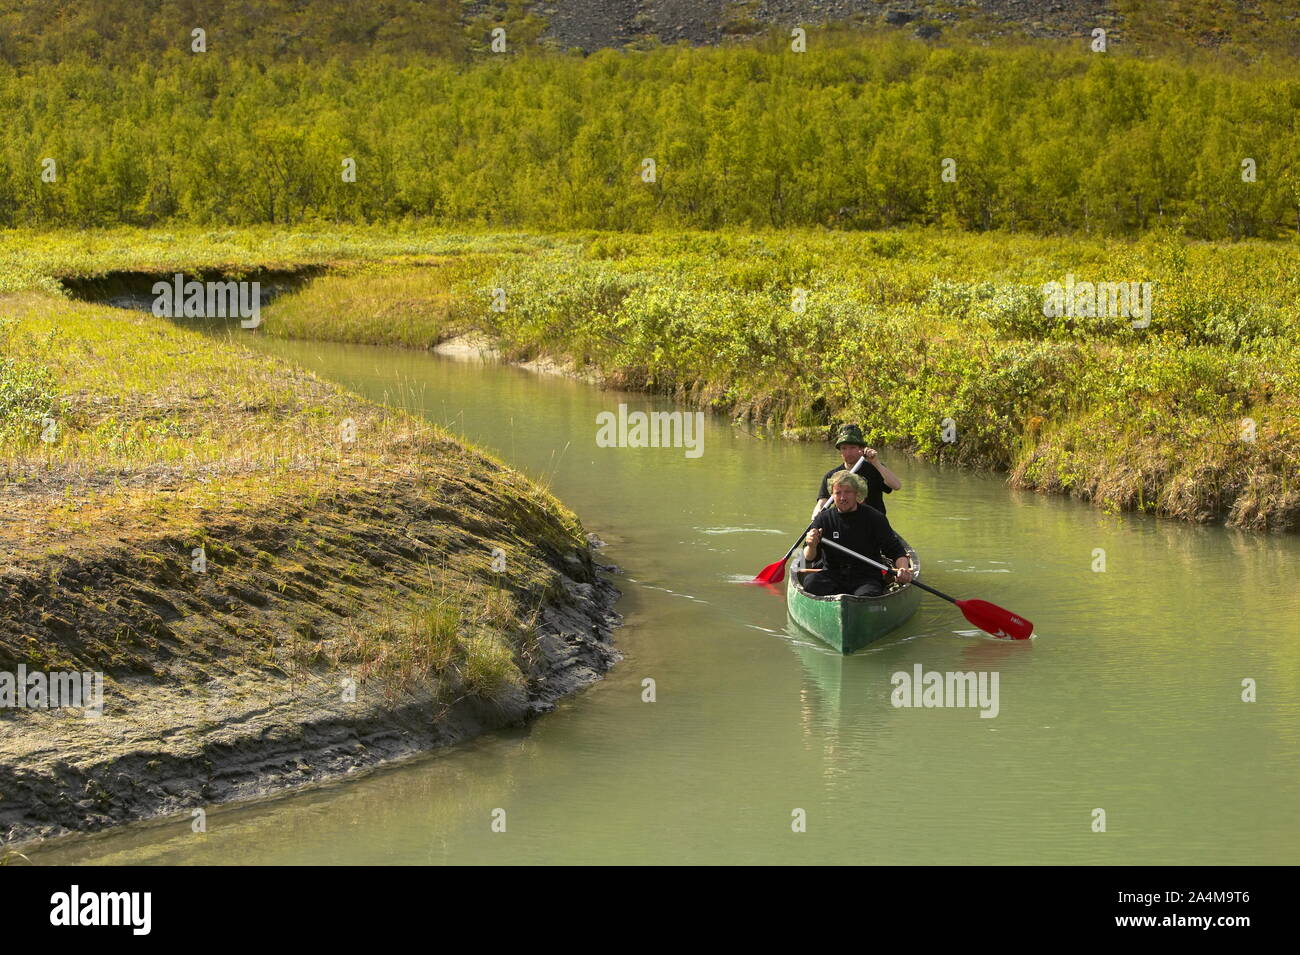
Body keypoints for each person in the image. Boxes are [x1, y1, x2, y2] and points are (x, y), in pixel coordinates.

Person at [802, 470, 913, 597]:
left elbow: (895, 550)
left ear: (857, 494)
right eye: (838, 493)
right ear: (832, 495)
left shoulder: (875, 517)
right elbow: (809, 558)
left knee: (868, 594)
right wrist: (811, 545)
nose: (843, 498)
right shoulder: (822, 518)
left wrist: (903, 569)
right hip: (833, 575)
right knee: (811, 583)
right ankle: (838, 601)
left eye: (847, 492)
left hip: (866, 578)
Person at [810, 423, 901, 521]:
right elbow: (822, 502)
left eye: (852, 447)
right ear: (840, 451)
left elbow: (896, 486)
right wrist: (817, 514)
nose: (848, 453)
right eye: (844, 448)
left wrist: (876, 463)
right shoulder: (832, 476)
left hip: (874, 525)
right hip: (845, 525)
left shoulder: (875, 468)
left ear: (861, 449)